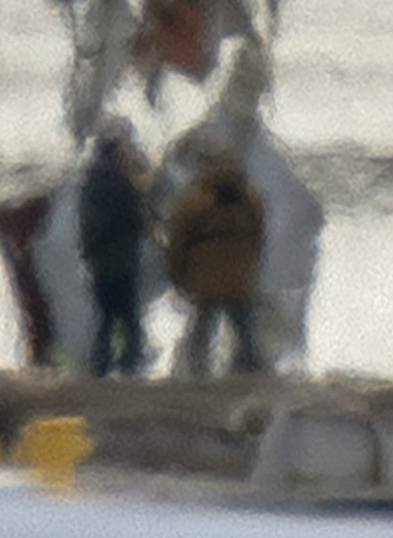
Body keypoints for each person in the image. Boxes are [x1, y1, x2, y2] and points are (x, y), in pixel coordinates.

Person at [162, 137, 271, 379]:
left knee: (201, 332)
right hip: (240, 278)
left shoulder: (191, 202)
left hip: (204, 279)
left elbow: (178, 244)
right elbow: (259, 239)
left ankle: (197, 377)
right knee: (245, 331)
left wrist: (176, 275)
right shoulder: (252, 200)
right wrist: (251, 267)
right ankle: (250, 378)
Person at [74, 121, 153, 380]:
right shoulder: (122, 183)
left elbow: (88, 224)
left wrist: (87, 251)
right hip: (122, 259)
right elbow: (135, 219)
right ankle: (129, 365)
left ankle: (100, 366)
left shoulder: (90, 182)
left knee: (105, 317)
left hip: (100, 260)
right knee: (128, 317)